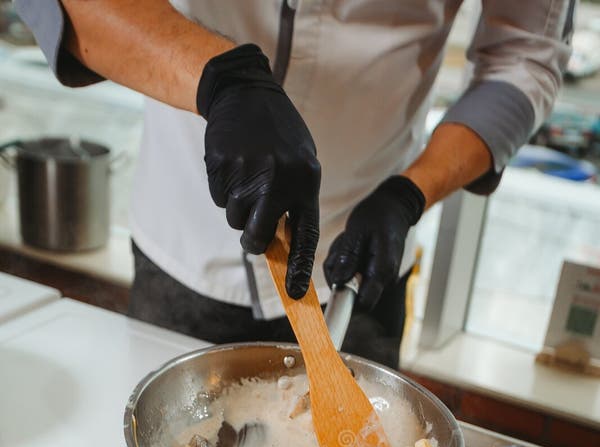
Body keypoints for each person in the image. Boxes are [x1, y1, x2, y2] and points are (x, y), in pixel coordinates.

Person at [15, 1, 573, 369]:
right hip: (184, 237)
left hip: (360, 260)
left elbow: (525, 57)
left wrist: (412, 192)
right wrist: (221, 78)